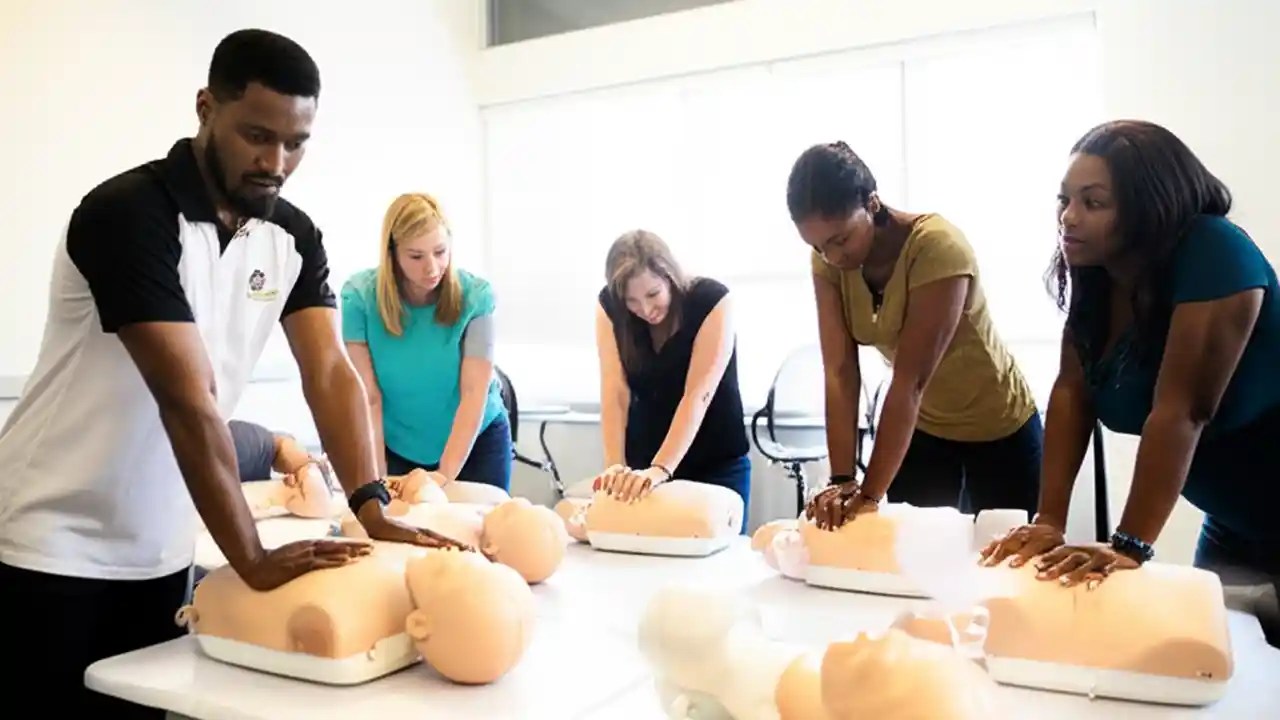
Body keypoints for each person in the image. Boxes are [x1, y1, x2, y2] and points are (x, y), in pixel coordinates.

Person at [0, 30, 459, 716]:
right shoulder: (126, 215)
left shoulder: (292, 237)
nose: (276, 161)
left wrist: (371, 506)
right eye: (256, 135)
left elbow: (330, 372)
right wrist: (249, 553)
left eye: (296, 143)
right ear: (206, 107)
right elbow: (187, 398)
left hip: (160, 549)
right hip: (48, 545)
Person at [979, 120, 1280, 647]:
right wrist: (1049, 518)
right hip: (1233, 520)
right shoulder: (1100, 273)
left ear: (1149, 208)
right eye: (1064, 200)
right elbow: (1073, 391)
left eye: (1093, 203)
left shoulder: (1215, 251)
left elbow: (1182, 411)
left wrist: (1130, 544)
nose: (1068, 218)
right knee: (1221, 670)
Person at [787, 141, 1043, 530]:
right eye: (818, 247)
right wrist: (842, 481)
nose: (832, 257)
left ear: (872, 203)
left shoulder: (939, 247)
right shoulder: (828, 262)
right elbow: (840, 371)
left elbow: (910, 381)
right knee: (914, 564)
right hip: (923, 428)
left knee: (1001, 568)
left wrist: (869, 494)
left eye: (840, 239)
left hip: (998, 425)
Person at [343, 192, 513, 492]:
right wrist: (376, 478)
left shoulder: (477, 297)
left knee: (478, 532)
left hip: (475, 443)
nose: (432, 268)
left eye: (440, 252)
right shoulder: (358, 298)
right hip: (398, 445)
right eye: (416, 256)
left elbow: (474, 393)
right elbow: (369, 396)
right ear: (392, 253)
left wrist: (444, 477)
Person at [592, 230, 752, 528]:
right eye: (633, 301)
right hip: (644, 466)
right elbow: (615, 392)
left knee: (718, 565)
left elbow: (698, 394)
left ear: (670, 277)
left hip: (714, 462)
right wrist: (616, 467)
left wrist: (661, 469)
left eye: (653, 294)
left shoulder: (712, 300)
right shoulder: (609, 308)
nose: (646, 309)